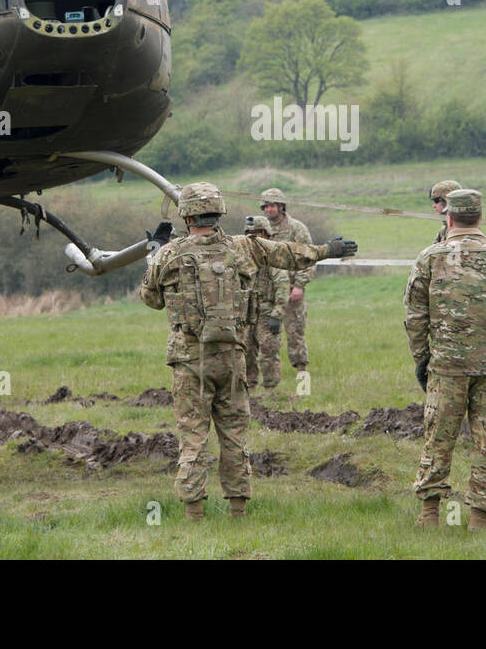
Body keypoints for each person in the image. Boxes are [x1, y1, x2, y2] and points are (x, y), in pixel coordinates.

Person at [140, 182, 357, 520]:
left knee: (193, 438)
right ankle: (238, 511)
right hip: (232, 358)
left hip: (189, 362)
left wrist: (153, 251)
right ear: (219, 212)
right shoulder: (242, 247)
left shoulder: (171, 254)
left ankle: (193, 513)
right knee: (234, 435)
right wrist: (328, 249)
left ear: (185, 215)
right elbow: (287, 253)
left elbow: (151, 299)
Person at [404, 189, 486, 531]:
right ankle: (481, 515)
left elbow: (415, 315)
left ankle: (430, 513)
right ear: (479, 216)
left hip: (446, 367)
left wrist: (422, 359)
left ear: (449, 217)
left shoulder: (429, 257)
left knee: (439, 437)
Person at [259, 187, 314, 373]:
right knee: (264, 339)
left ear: (281, 206)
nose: (269, 210)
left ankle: (303, 382)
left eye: (272, 205)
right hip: (267, 292)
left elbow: (309, 257)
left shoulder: (296, 229)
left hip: (291, 291)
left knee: (295, 335)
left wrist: (299, 285)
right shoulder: (261, 229)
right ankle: (268, 383)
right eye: (265, 206)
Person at [241, 215, 290, 392]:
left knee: (269, 350)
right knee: (245, 352)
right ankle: (249, 389)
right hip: (246, 313)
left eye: (257, 233)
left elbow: (283, 287)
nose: (253, 238)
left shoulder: (273, 257)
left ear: (266, 234)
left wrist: (277, 315)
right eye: (249, 234)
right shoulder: (242, 258)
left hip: (267, 311)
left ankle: (271, 390)